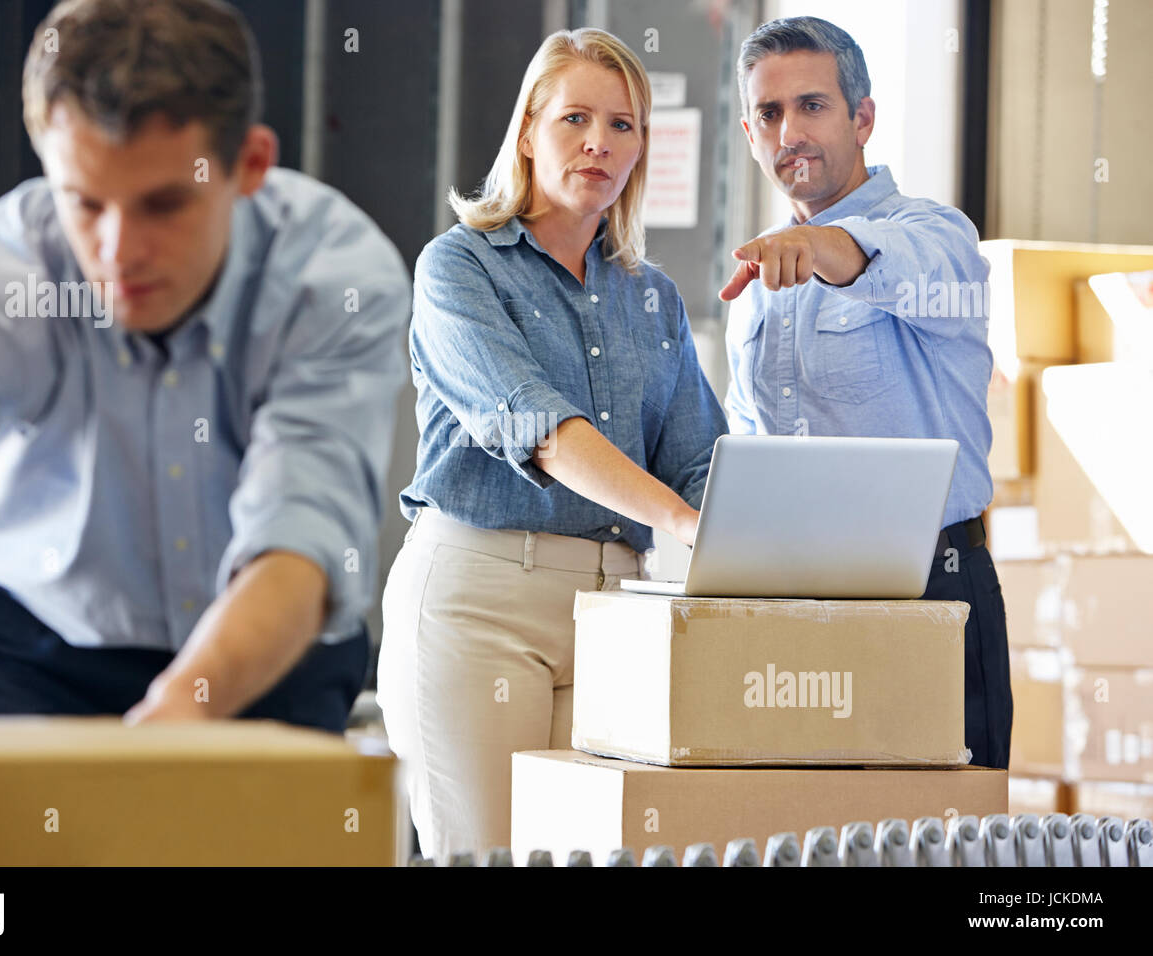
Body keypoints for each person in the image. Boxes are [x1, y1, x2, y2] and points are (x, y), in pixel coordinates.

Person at [0, 0, 410, 731]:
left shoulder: (334, 276)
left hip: (271, 639)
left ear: (249, 165)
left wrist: (162, 740)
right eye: (84, 203)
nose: (118, 252)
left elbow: (299, 535)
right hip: (30, 649)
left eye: (163, 204)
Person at [377, 27, 729, 861]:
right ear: (529, 130)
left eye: (624, 126)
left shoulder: (654, 298)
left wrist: (786, 535)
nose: (600, 144)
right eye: (575, 119)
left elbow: (701, 461)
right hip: (478, 601)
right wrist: (683, 522)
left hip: (616, 615)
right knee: (487, 854)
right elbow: (537, 429)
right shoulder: (459, 267)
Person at [721, 16, 1010, 768]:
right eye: (769, 113)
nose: (791, 132)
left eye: (813, 106)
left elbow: (902, 265)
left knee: (941, 838)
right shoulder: (755, 286)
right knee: (818, 834)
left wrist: (819, 247)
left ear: (864, 118)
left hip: (933, 591)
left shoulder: (938, 235)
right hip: (797, 600)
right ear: (750, 132)